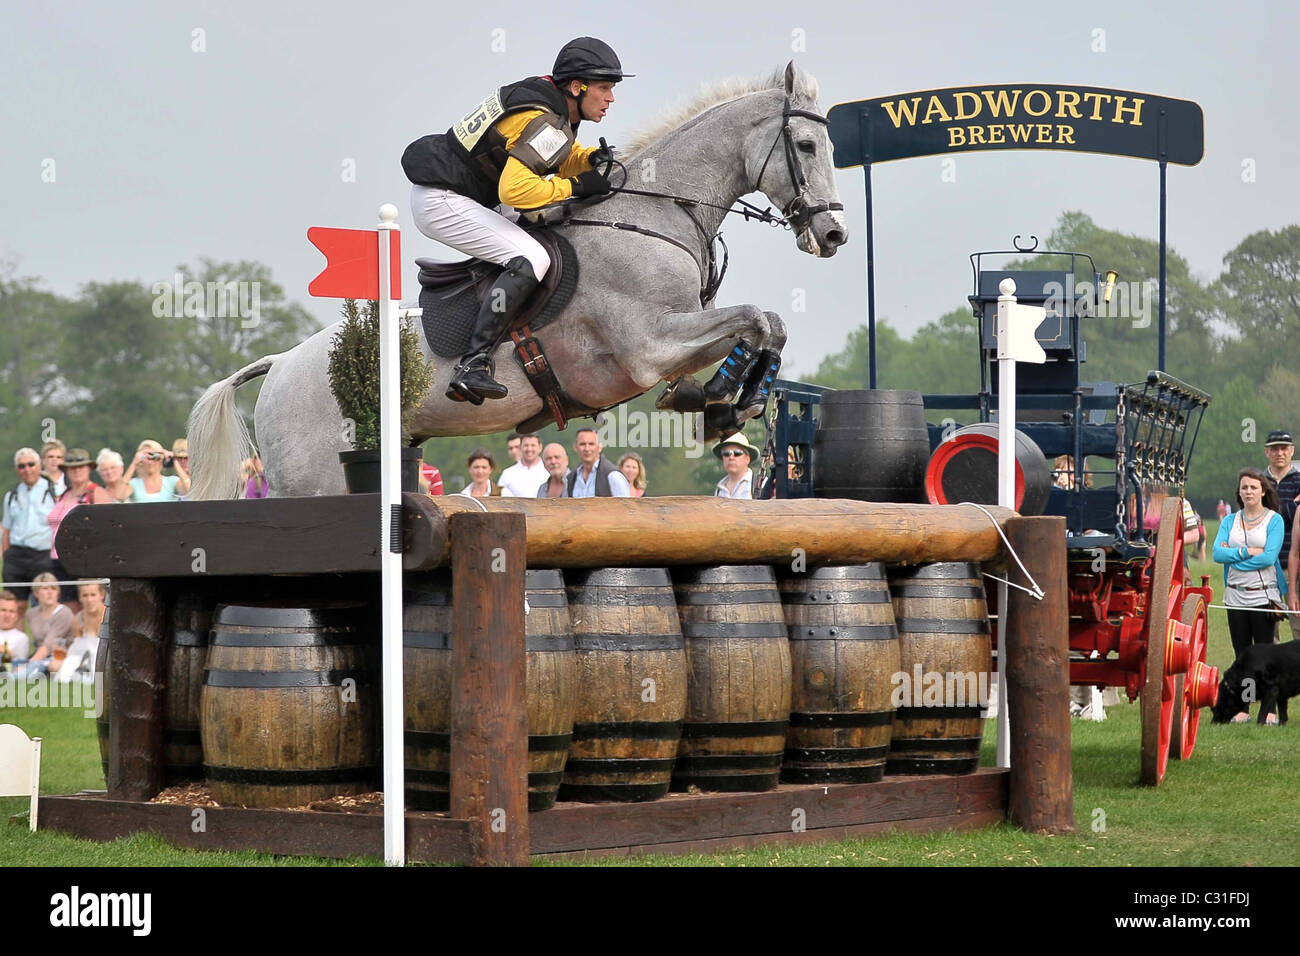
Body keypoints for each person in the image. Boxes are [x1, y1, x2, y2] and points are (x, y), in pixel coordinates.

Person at [402, 37, 630, 404]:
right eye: (604, 88)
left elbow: (555, 156)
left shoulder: (549, 104)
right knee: (532, 258)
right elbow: (515, 190)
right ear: (577, 86)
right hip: (443, 201)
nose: (611, 98)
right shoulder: (544, 119)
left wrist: (589, 159)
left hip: (461, 195)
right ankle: (473, 363)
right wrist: (574, 186)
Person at [1214, 468, 1287, 722]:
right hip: (1234, 596)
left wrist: (1233, 555)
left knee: (1265, 657)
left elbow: (1269, 556)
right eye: (1244, 487)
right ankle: (1243, 709)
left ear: (1263, 491)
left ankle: (1269, 711)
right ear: (1239, 492)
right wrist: (1247, 552)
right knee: (1243, 656)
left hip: (1263, 596)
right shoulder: (1228, 521)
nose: (1248, 492)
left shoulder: (1274, 520)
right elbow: (1216, 554)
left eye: (1254, 487)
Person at [46, 449, 112, 606]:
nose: (76, 471)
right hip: (58, 559)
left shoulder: (96, 493)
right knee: (66, 606)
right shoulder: (64, 494)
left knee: (88, 605)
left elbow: (108, 528)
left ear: (89, 468)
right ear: (66, 470)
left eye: (81, 467)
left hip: (84, 559)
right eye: (72, 467)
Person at [3, 447, 57, 605]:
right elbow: (6, 530)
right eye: (22, 466)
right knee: (14, 606)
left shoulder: (53, 491)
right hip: (16, 556)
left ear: (39, 465)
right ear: (17, 470)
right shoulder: (11, 495)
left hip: (43, 555)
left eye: (31, 464)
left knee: (43, 605)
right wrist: (7, 558)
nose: (27, 469)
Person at [1264, 430, 1300, 640]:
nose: (1280, 453)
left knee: (1298, 624)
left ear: (1292, 451)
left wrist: (1274, 512)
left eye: (1284, 448)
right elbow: (1258, 520)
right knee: (1270, 627)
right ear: (1267, 452)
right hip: (1267, 564)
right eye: (1275, 448)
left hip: (1294, 563)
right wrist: (1291, 507)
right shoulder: (1258, 482)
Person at [11, 572, 75, 677]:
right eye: (45, 588)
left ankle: (14, 678)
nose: (50, 592)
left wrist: (27, 665)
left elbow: (48, 645)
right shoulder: (31, 613)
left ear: (58, 593)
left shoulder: (64, 613)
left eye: (53, 589)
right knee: (13, 662)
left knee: (24, 671)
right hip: (39, 656)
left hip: (60, 656)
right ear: (36, 593)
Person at [50, 580, 106, 682]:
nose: (89, 600)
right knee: (61, 676)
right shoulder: (78, 619)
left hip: (105, 657)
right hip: (83, 657)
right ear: (80, 597)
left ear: (101, 595)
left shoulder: (108, 617)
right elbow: (77, 648)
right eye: (85, 595)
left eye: (93, 595)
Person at [116, 439, 189, 502]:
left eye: (155, 457)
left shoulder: (171, 482)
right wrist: (134, 463)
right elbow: (119, 496)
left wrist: (174, 461)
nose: (150, 462)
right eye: (146, 457)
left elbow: (189, 491)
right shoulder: (134, 484)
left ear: (161, 459)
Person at [566, 428, 631, 497]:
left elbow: (625, 506)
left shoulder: (613, 475)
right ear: (575, 447)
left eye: (591, 444)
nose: (587, 449)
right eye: (582, 444)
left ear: (600, 447)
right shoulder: (572, 477)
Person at [498, 433, 547, 497]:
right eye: (526, 445)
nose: (529, 449)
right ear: (520, 447)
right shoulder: (507, 474)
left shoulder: (548, 472)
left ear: (540, 447)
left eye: (533, 445)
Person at [714, 432, 759, 499]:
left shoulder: (760, 484)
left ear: (747, 458)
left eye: (737, 453)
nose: (731, 457)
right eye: (726, 453)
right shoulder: (719, 490)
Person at [0, 589, 30, 667]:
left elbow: (20, 667)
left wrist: (4, 651)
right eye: (3, 610)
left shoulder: (21, 638)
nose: (7, 615)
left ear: (16, 615)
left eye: (11, 611)